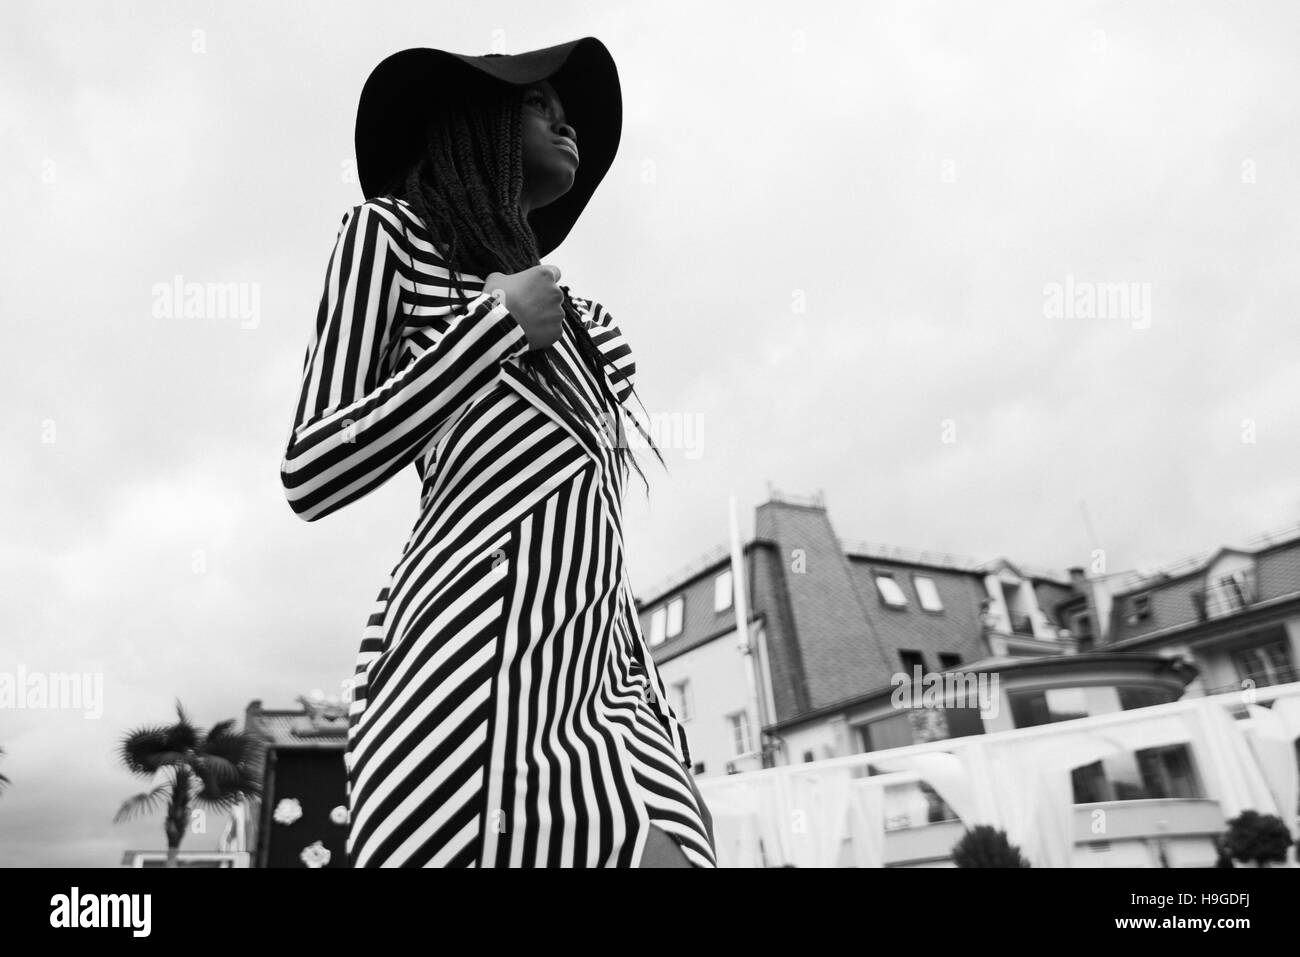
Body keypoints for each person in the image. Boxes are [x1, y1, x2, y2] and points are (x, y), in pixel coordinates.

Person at [280, 37, 716, 867]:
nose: (565, 118)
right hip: (467, 685)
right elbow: (310, 466)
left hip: (606, 690)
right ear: (477, 123)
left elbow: (592, 534)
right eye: (537, 101)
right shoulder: (390, 239)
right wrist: (495, 329)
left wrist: (662, 717)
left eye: (563, 105)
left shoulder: (589, 326)